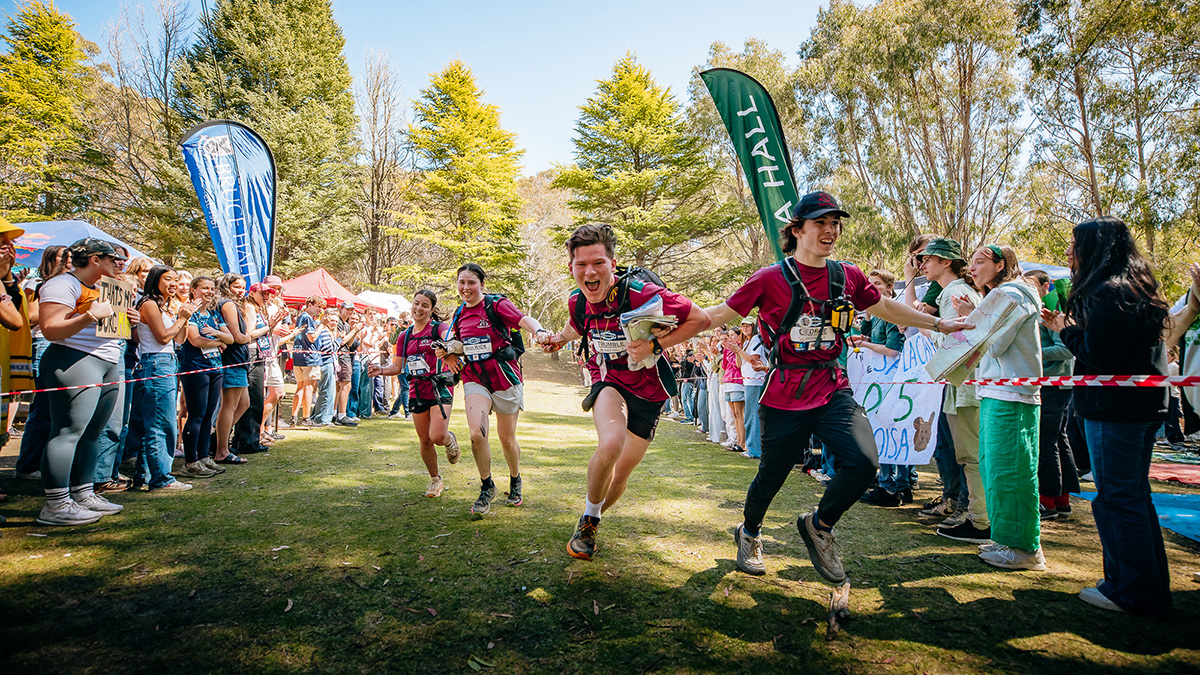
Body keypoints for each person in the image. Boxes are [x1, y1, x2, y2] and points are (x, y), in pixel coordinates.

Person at [704, 191, 970, 580]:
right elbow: (718, 314)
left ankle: (819, 526)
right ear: (796, 230)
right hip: (784, 392)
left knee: (864, 463)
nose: (830, 231)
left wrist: (936, 323)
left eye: (835, 224)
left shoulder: (847, 275)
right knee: (771, 476)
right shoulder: (769, 278)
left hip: (832, 386)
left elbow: (884, 306)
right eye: (820, 223)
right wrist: (662, 333)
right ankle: (750, 532)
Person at [1044, 217, 1194, 615]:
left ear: (1096, 248)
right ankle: (1143, 586)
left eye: (1075, 244)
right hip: (1140, 406)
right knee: (1132, 497)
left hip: (1114, 410)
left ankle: (1131, 591)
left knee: (1116, 500)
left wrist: (1065, 330)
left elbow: (1097, 355)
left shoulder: (1107, 293)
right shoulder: (1136, 289)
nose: (1069, 253)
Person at [540, 223, 709, 559]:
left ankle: (592, 519)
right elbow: (576, 327)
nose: (590, 272)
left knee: (621, 473)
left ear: (612, 264)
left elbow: (701, 319)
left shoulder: (641, 294)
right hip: (610, 382)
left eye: (598, 263)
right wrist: (557, 339)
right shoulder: (578, 303)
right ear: (571, 268)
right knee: (611, 443)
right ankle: (588, 520)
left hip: (650, 391)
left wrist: (654, 345)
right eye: (581, 265)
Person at [35, 238, 140, 525]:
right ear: (95, 259)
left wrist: (131, 319)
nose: (119, 264)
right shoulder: (62, 285)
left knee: (93, 432)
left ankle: (83, 494)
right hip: (73, 360)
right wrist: (89, 315)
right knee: (68, 431)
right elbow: (51, 329)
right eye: (113, 259)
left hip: (107, 361)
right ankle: (56, 503)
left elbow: (114, 328)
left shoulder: (109, 288)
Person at [954, 244, 1046, 571]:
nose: (973, 269)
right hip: (996, 392)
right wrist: (974, 317)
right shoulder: (1004, 294)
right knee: (996, 467)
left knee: (1013, 469)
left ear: (1001, 264)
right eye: (972, 263)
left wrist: (971, 319)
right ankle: (1008, 540)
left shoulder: (1014, 293)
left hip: (1012, 395)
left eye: (980, 262)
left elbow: (996, 344)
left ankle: (1025, 548)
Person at [440, 263, 547, 516]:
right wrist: (447, 357)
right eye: (461, 282)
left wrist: (540, 331)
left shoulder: (496, 305)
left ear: (482, 284)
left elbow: (523, 320)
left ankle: (515, 478)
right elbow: (449, 346)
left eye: (471, 283)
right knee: (477, 434)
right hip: (475, 378)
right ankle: (487, 486)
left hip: (506, 378)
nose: (466, 288)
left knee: (507, 439)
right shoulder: (458, 314)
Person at [917, 239, 988, 543]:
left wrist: (927, 329)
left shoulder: (954, 293)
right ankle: (975, 512)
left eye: (927, 259)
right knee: (969, 453)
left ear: (946, 262)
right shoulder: (956, 291)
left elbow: (954, 344)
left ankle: (980, 519)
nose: (922, 265)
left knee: (971, 455)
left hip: (964, 384)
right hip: (964, 385)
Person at [370, 290, 462, 497]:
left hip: (440, 387)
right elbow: (397, 366)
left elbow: (453, 344)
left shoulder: (440, 328)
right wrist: (381, 370)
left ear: (431, 309)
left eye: (425, 305)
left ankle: (449, 440)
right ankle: (435, 480)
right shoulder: (405, 335)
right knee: (424, 440)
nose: (419, 308)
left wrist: (446, 350)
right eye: (416, 304)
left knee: (437, 435)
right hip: (417, 389)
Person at [133, 265, 198, 492]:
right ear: (155, 280)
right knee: (162, 423)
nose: (173, 283)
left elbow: (178, 340)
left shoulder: (167, 307)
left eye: (175, 280)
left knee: (156, 423)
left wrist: (185, 318)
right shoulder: (149, 304)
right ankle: (161, 478)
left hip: (167, 361)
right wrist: (181, 318)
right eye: (168, 279)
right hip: (155, 363)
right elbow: (162, 338)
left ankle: (146, 476)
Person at [1021, 269, 1079, 520]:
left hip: (1055, 384)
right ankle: (1060, 500)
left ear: (1046, 286)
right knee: (1056, 439)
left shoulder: (1054, 306)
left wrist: (1030, 353)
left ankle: (1048, 500)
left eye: (1032, 285)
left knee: (1046, 441)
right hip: (1051, 383)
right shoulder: (1037, 307)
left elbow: (1065, 349)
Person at [853, 269, 913, 507]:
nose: (873, 288)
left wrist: (866, 345)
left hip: (892, 380)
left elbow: (892, 349)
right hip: (878, 380)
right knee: (884, 428)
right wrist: (867, 317)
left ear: (890, 287)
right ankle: (898, 484)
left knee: (890, 430)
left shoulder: (890, 313)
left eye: (877, 284)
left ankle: (891, 487)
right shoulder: (876, 314)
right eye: (870, 285)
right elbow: (868, 334)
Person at [15, 244, 70, 481]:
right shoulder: (36, 284)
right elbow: (29, 316)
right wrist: (61, 308)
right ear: (51, 259)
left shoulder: (73, 284)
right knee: (43, 406)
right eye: (63, 257)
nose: (69, 260)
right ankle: (28, 464)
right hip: (43, 342)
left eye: (71, 257)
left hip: (64, 344)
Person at [179, 275, 234, 478]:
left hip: (215, 368)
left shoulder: (213, 315)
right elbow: (195, 340)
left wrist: (218, 337)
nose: (209, 292)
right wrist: (218, 342)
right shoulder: (189, 313)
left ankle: (203, 457)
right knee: (197, 414)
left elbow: (230, 338)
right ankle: (190, 461)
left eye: (212, 289)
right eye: (204, 288)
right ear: (193, 290)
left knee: (209, 416)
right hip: (196, 368)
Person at [214, 273, 253, 465]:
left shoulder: (233, 304)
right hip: (232, 360)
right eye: (237, 286)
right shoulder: (227, 304)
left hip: (238, 360)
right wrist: (248, 337)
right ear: (227, 285)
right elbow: (238, 336)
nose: (242, 290)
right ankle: (221, 449)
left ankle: (219, 439)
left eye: (243, 286)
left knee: (243, 404)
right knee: (229, 405)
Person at [291, 296, 325, 426]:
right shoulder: (308, 318)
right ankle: (306, 418)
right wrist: (322, 325)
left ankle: (294, 417)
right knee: (308, 388)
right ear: (310, 305)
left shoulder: (300, 316)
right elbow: (312, 337)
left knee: (300, 387)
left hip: (298, 356)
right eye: (318, 307)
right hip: (309, 357)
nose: (320, 310)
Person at [334, 301, 362, 426]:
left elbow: (349, 344)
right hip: (341, 356)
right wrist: (354, 330)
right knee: (345, 385)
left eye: (351, 310)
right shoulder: (339, 323)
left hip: (346, 354)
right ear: (341, 309)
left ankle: (337, 413)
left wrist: (355, 332)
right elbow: (342, 341)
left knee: (341, 386)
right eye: (347, 309)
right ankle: (341, 414)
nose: (350, 312)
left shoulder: (345, 324)